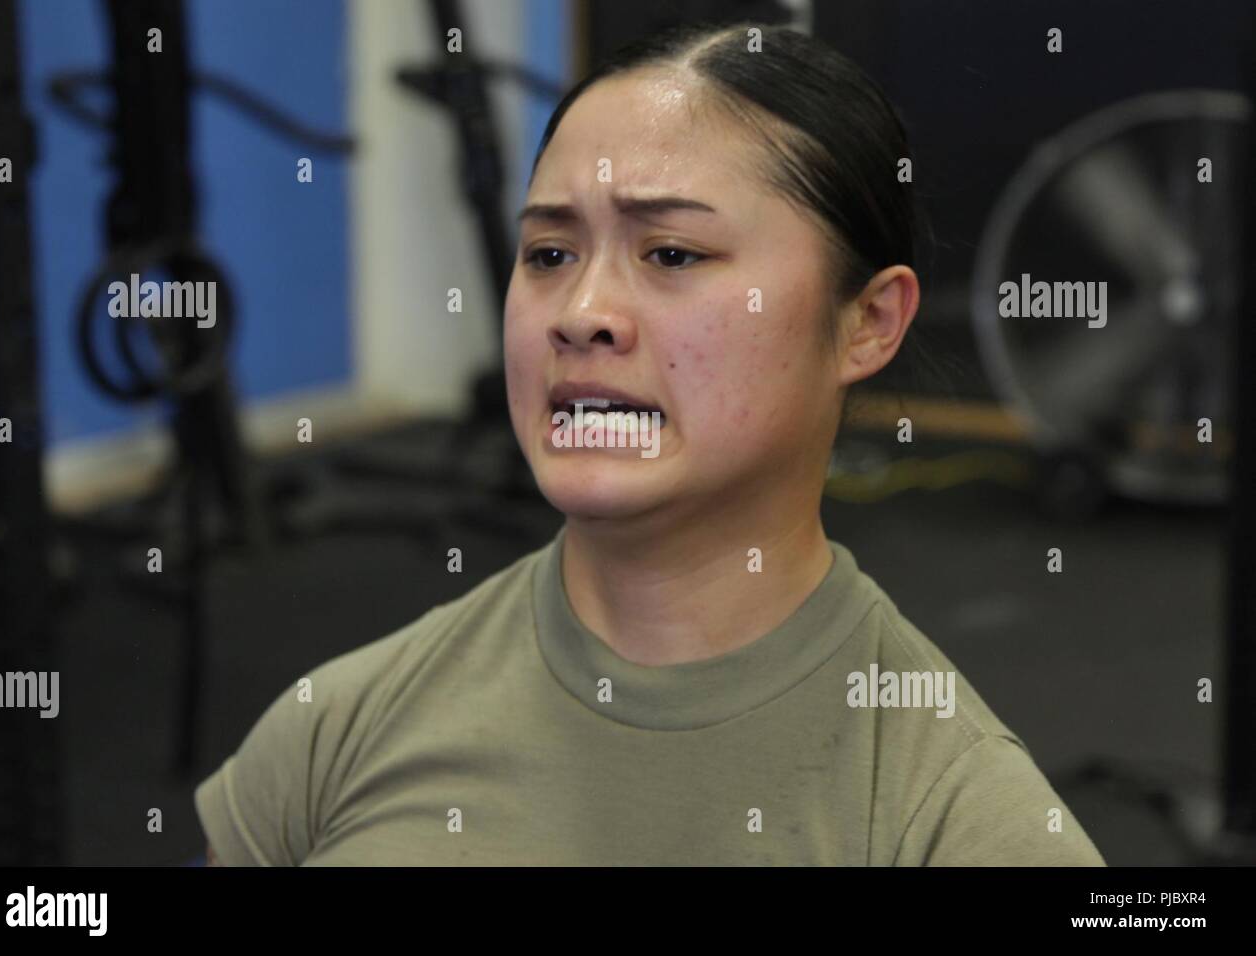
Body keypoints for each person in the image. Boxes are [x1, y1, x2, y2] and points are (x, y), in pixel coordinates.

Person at [195, 21, 1105, 866]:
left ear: (869, 322)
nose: (581, 315)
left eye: (670, 254)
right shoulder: (337, 728)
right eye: (550, 255)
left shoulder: (957, 819)